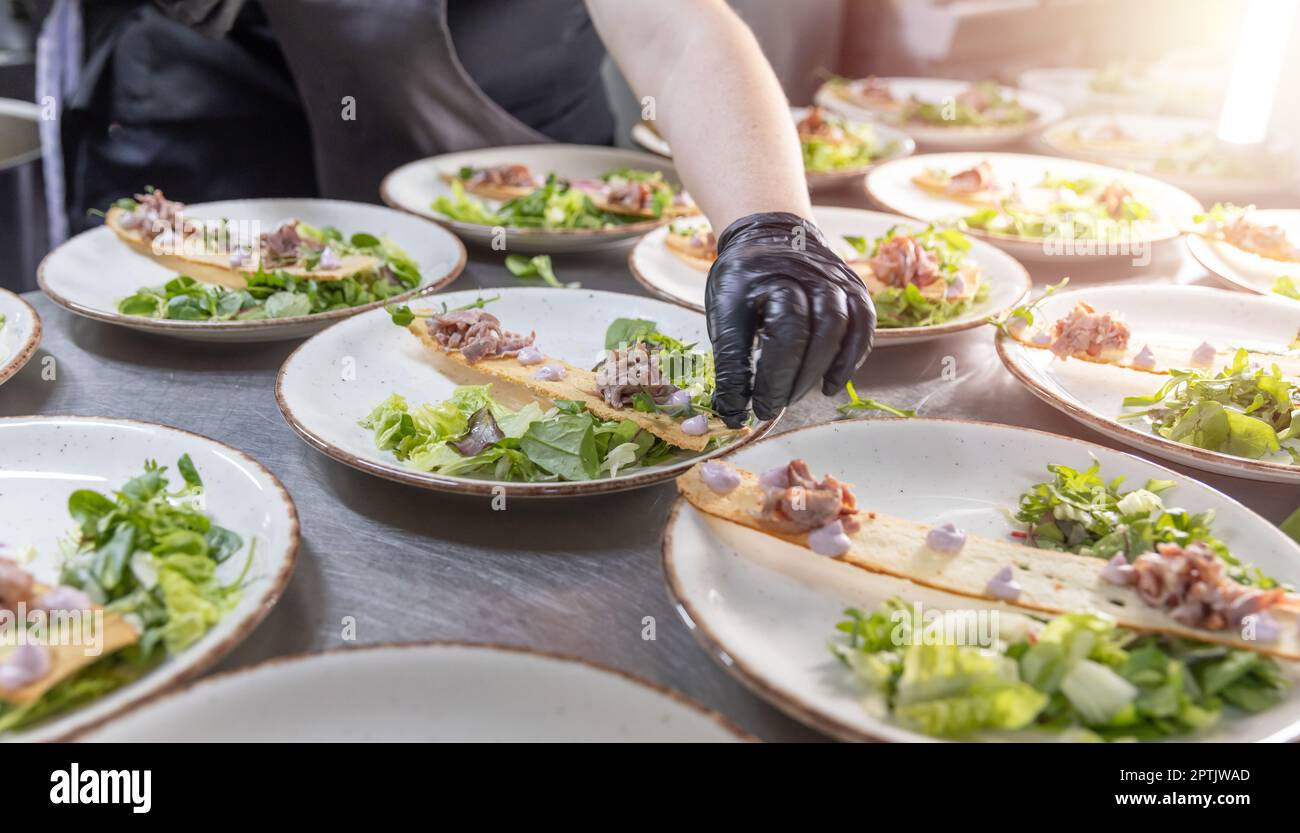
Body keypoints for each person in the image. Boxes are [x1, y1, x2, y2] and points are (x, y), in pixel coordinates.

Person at [40, 0, 874, 427]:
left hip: (516, 126)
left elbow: (680, 32)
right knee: (195, 393)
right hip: (216, 103)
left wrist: (769, 224)